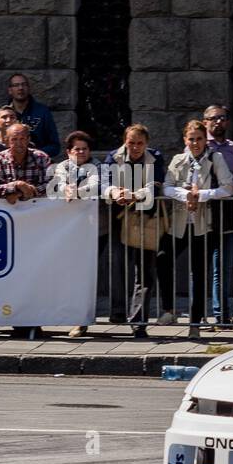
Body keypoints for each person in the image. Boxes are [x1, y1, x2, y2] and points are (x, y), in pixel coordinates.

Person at [162, 119, 233, 336]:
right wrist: (186, 195)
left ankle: (195, 324)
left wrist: (201, 195)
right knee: (163, 257)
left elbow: (228, 188)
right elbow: (166, 187)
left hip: (203, 224)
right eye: (191, 139)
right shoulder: (178, 159)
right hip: (179, 222)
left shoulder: (216, 158)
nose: (195, 143)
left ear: (205, 140)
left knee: (198, 272)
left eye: (199, 139)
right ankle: (169, 308)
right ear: (185, 140)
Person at [0, 123, 51, 337]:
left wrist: (24, 192)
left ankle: (33, 320)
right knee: (8, 274)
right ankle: (9, 318)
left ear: (28, 139)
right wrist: (14, 187)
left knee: (34, 274)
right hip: (6, 231)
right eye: (14, 139)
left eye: (22, 139)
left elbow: (52, 184)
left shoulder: (41, 158)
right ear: (6, 140)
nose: (19, 143)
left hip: (36, 228)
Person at [103, 124, 167, 338]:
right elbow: (104, 183)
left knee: (145, 273)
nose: (136, 147)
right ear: (125, 141)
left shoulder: (155, 157)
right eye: (131, 143)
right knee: (117, 266)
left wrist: (135, 195)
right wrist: (114, 192)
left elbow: (156, 185)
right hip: (119, 218)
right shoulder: (113, 157)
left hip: (146, 219)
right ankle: (118, 313)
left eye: (140, 143)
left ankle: (139, 322)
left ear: (146, 143)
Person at [46, 131, 102, 337]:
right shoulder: (61, 167)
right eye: (77, 149)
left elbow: (96, 186)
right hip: (67, 231)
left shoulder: (97, 166)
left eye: (84, 149)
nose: (81, 152)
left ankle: (82, 320)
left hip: (93, 229)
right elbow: (57, 185)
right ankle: (68, 315)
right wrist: (65, 189)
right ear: (69, 151)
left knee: (86, 275)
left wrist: (75, 191)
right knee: (70, 275)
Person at [202, 104, 233, 325]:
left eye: (222, 118)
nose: (218, 122)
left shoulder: (232, 148)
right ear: (205, 121)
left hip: (228, 211)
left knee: (224, 265)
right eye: (214, 118)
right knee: (200, 266)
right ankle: (198, 314)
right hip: (203, 211)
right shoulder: (199, 143)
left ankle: (221, 314)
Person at [2, 74, 60, 157]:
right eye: (16, 85)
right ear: (10, 90)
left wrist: (34, 154)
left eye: (24, 84)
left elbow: (55, 146)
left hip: (38, 164)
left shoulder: (42, 112)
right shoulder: (3, 115)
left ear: (29, 88)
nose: (20, 88)